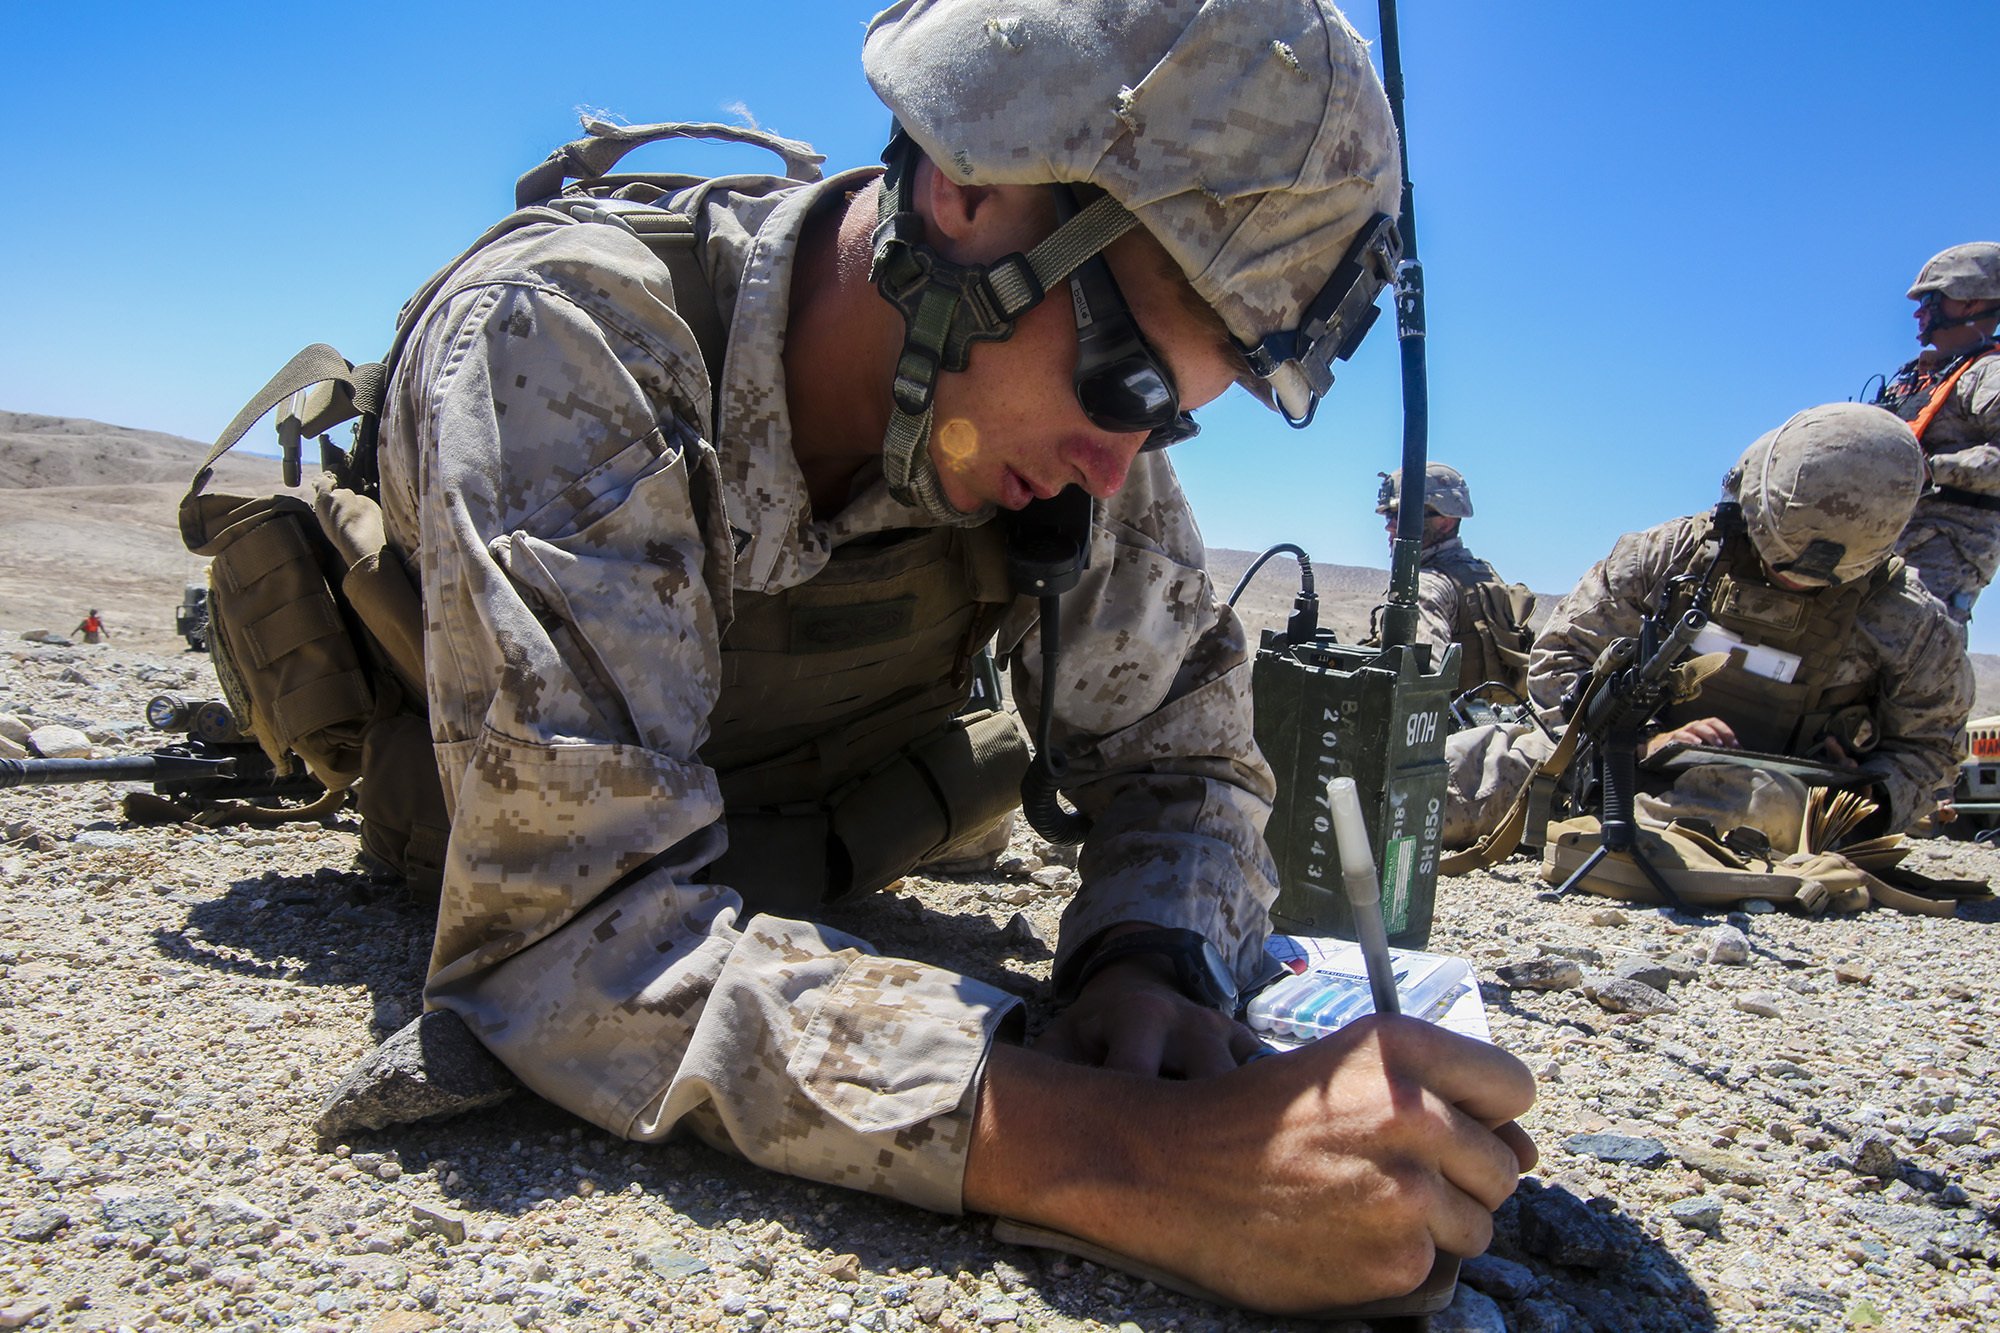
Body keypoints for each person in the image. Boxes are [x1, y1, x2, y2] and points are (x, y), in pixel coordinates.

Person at [369, 0, 1534, 1313]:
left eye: (1170, 423)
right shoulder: (562, 340)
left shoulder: (1059, 437)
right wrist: (1143, 1160)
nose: (1117, 464)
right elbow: (570, 948)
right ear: (972, 196)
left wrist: (1150, 962)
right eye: (1132, 387)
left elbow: (1192, 771)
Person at [1445, 403, 1973, 852]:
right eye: (1775, 558)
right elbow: (1561, 659)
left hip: (1766, 798)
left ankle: (1607, 841)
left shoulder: (1912, 623)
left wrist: (1861, 792)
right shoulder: (1669, 556)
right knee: (1437, 781)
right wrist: (1647, 740)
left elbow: (1929, 749)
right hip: (1604, 762)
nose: (1790, 583)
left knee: (1760, 808)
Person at [1871, 242, 2000, 627]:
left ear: (1971, 303)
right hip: (1883, 534)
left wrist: (1929, 469)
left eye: (1931, 299)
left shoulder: (1989, 374)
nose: (1919, 312)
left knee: (1902, 646)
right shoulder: (1916, 375)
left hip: (1944, 547)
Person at [1368, 463, 1533, 702]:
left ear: (1444, 522)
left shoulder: (1424, 587)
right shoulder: (1482, 573)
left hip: (1448, 733)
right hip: (1487, 726)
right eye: (1388, 515)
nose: (1389, 526)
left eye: (1400, 515)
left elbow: (1421, 687)